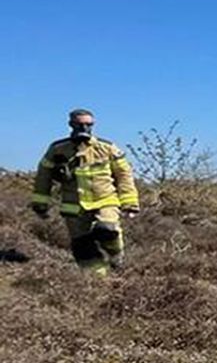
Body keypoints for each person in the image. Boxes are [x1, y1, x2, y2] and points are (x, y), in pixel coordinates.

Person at [29, 109, 141, 276]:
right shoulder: (57, 149)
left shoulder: (107, 148)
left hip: (105, 201)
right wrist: (40, 204)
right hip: (73, 206)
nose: (84, 128)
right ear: (71, 124)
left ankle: (116, 256)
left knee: (107, 230)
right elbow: (43, 176)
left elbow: (124, 175)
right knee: (82, 246)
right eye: (79, 124)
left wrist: (130, 203)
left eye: (88, 124)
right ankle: (98, 280)